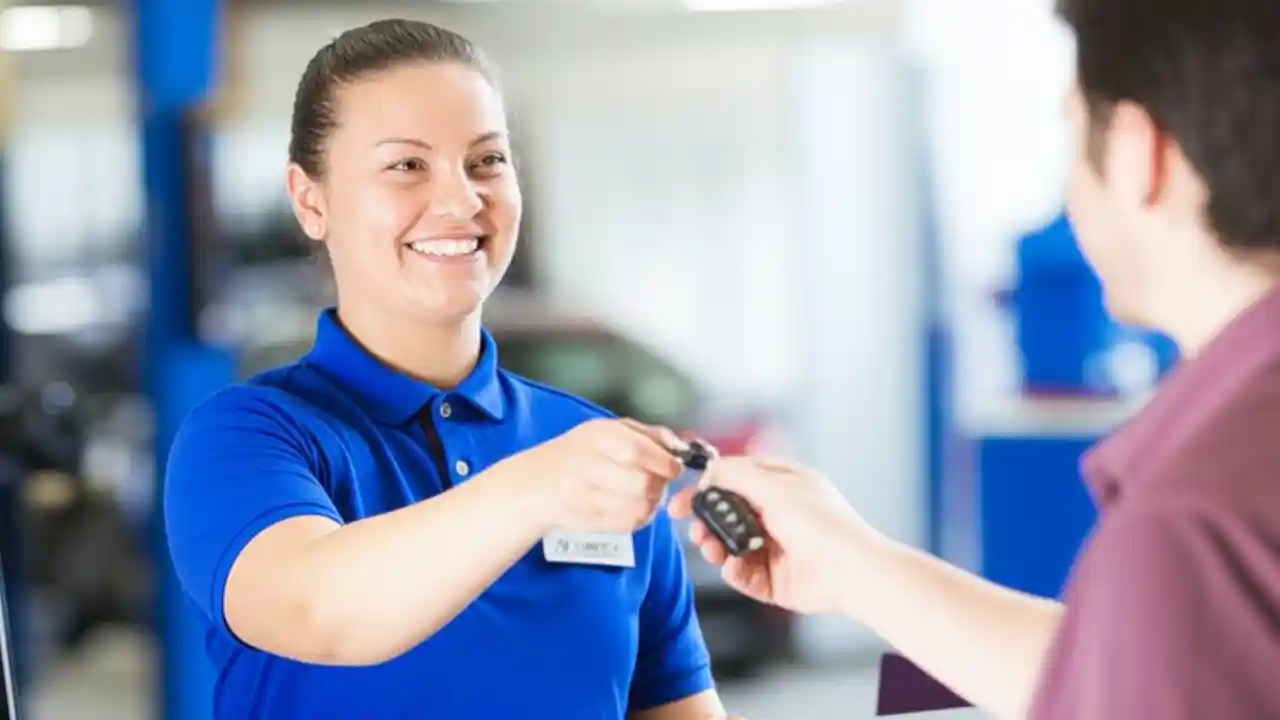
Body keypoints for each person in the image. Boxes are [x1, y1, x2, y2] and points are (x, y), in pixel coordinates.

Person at [674, 1, 1280, 718]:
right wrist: (857, 567)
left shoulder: (1193, 524)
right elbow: (1146, 670)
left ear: (1136, 155)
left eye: (1072, 126)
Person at [163, 19, 730, 720]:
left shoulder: (588, 445)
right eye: (407, 165)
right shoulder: (249, 438)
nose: (462, 200)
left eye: (487, 161)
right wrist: (543, 486)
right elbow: (318, 609)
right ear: (311, 200)